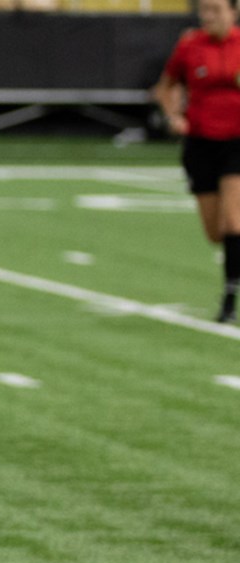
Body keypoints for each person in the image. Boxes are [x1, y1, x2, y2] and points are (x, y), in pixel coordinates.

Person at [156, 0, 240, 324]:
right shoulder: (190, 46)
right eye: (205, 10)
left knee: (233, 222)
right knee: (216, 232)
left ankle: (229, 300)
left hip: (236, 141)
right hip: (202, 144)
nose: (209, 17)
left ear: (233, 11)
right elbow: (166, 86)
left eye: (217, 10)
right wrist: (173, 115)